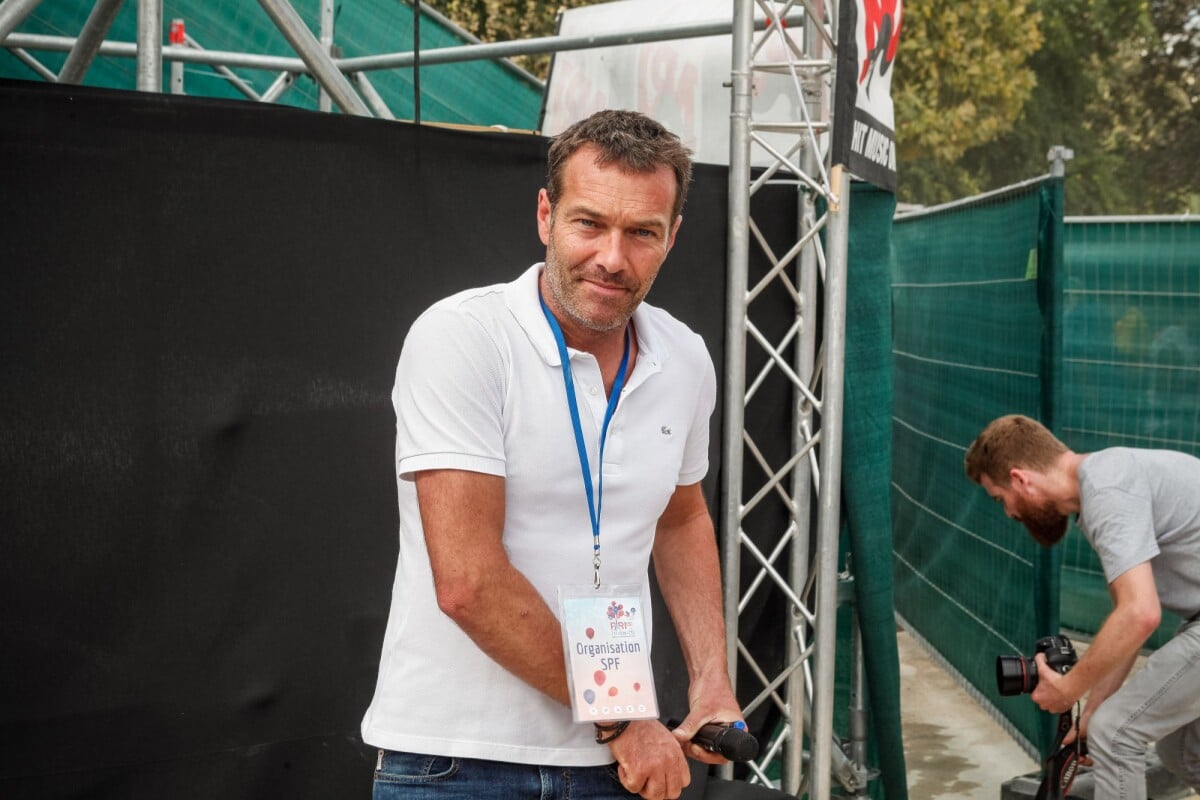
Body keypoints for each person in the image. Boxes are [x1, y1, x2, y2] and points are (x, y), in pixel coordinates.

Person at [361, 109, 743, 800]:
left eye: (642, 233)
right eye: (589, 223)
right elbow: (468, 581)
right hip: (457, 761)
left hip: (614, 769)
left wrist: (710, 680)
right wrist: (626, 718)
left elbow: (681, 518)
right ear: (545, 215)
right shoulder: (462, 337)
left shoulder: (685, 357)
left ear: (673, 236)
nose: (612, 258)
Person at [964, 414, 1200, 800]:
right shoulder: (1109, 482)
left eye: (1000, 498)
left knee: (1116, 733)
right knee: (1179, 751)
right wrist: (1091, 710)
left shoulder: (1108, 491)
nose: (1008, 512)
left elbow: (1140, 614)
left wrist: (1068, 689)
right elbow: (1129, 623)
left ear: (1021, 479)